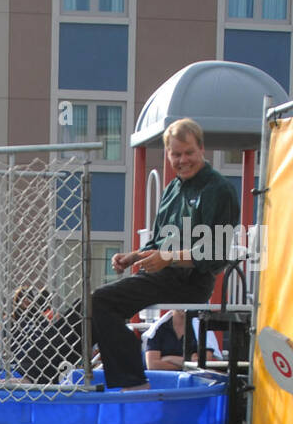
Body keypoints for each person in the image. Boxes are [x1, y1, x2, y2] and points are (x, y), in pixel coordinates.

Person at [93, 118, 240, 390]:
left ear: (202, 150)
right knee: (94, 306)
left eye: (189, 153)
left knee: (102, 301)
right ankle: (40, 367)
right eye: (176, 154)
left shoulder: (219, 191)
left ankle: (133, 382)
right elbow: (160, 243)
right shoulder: (172, 189)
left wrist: (169, 258)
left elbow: (216, 254)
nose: (182, 160)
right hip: (163, 274)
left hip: (190, 282)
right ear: (168, 155)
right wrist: (133, 257)